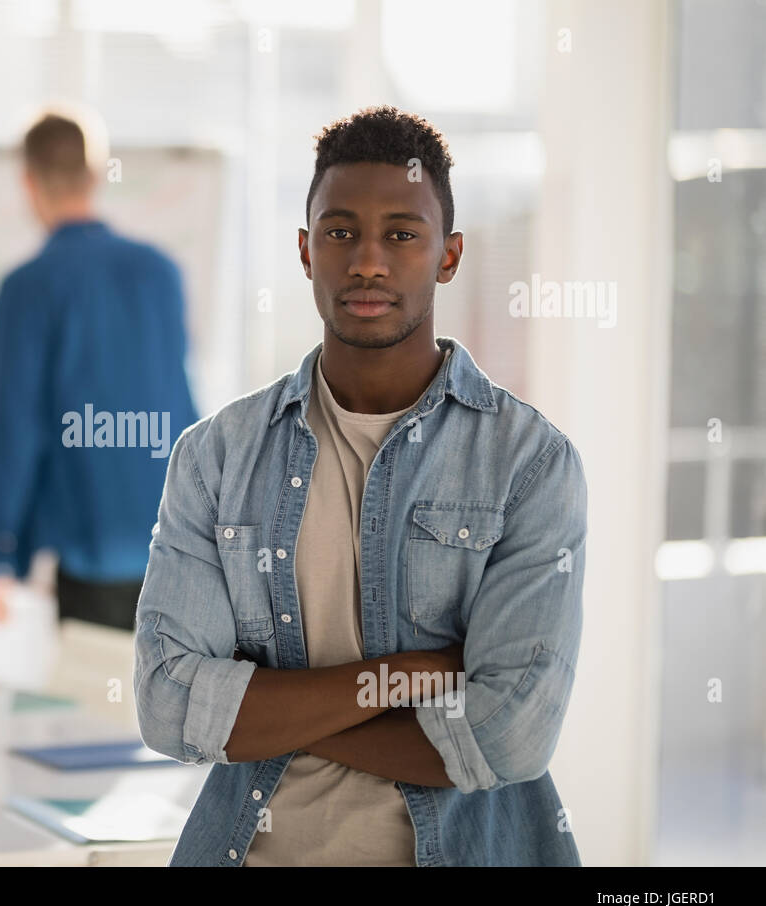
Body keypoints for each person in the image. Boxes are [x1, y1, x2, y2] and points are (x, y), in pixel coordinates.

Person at [133, 105, 588, 866]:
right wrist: (406, 675)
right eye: (341, 232)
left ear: (449, 255)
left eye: (402, 234)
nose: (368, 261)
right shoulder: (215, 456)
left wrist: (267, 708)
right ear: (307, 252)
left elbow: (509, 735)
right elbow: (168, 706)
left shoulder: (530, 464)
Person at [0, 110, 198, 635]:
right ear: (96, 176)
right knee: (168, 710)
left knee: (96, 711)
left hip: (91, 551)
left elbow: (16, 429)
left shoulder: (27, 288)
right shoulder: (160, 272)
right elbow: (180, 405)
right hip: (179, 547)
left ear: (28, 182)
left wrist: (0, 557)